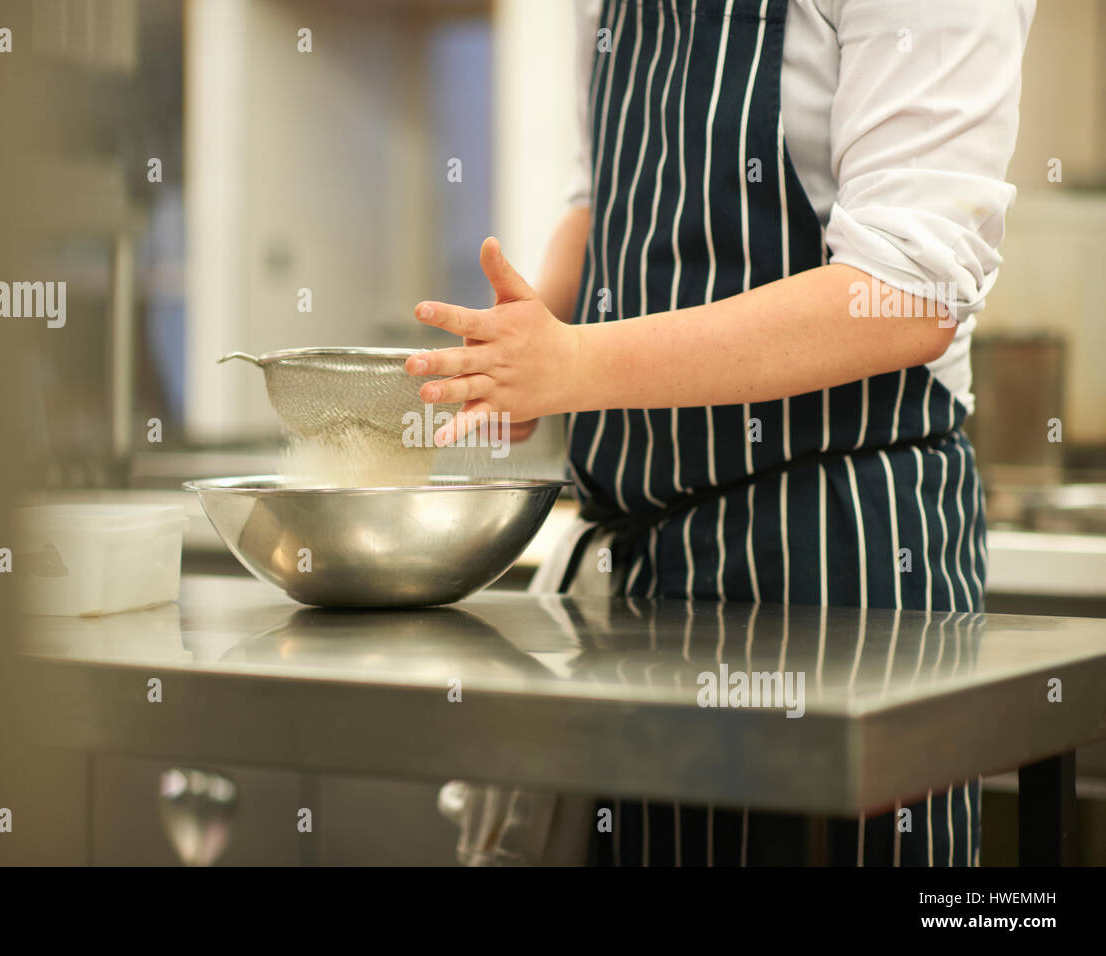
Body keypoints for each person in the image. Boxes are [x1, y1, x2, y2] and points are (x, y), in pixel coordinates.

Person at [408, 0, 1034, 865]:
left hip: (838, 562)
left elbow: (905, 295)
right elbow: (605, 202)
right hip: (639, 581)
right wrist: (522, 346)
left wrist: (576, 365)